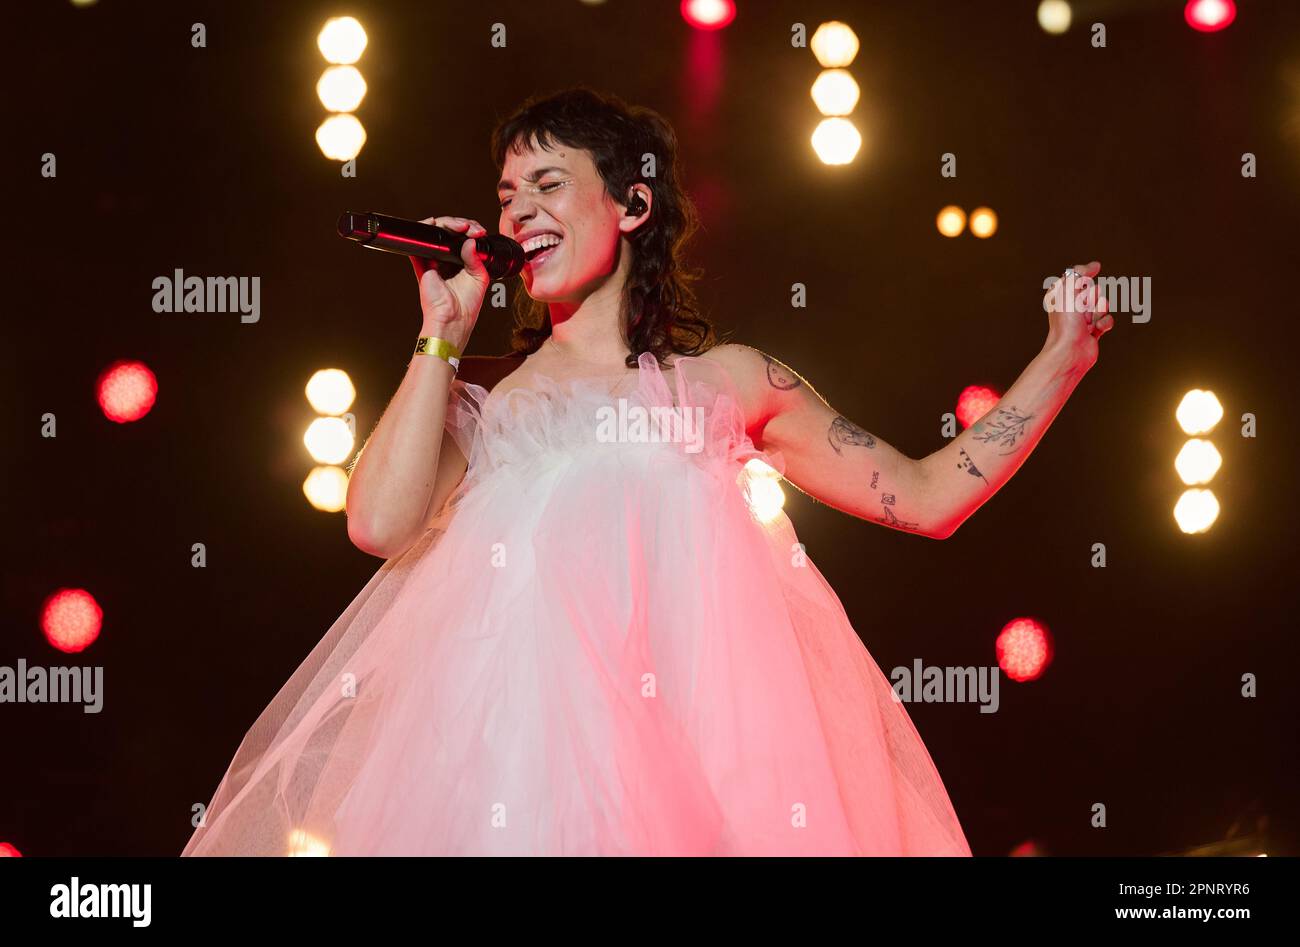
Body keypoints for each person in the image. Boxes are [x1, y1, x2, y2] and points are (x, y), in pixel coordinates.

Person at [182, 86, 1114, 856]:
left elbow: (925, 497)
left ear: (630, 205)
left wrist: (1059, 361)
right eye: (506, 197)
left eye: (547, 185)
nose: (517, 214)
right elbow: (377, 525)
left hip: (716, 784)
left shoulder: (727, 384)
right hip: (518, 793)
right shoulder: (484, 401)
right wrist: (440, 330)